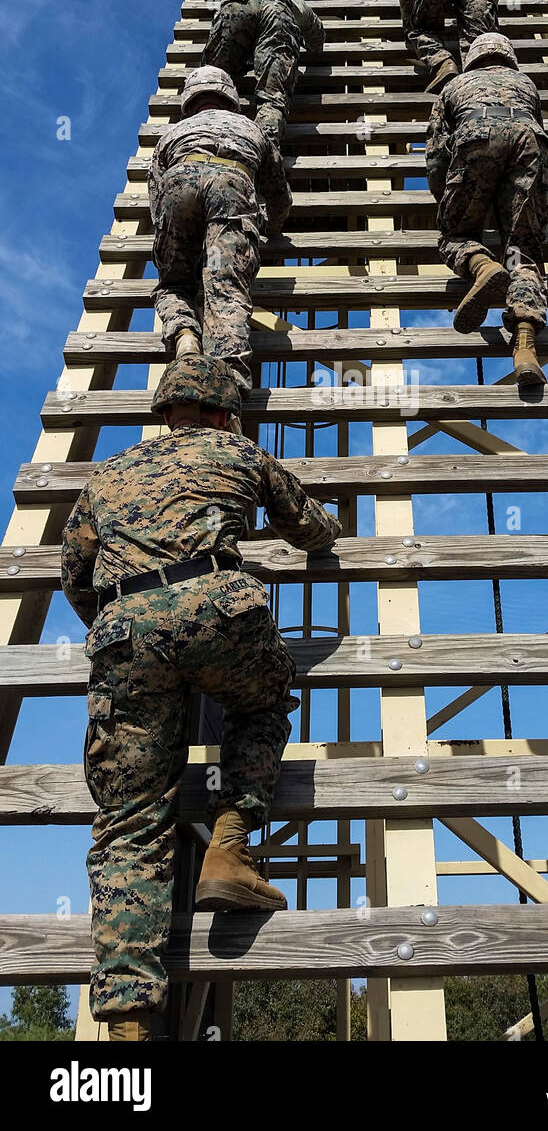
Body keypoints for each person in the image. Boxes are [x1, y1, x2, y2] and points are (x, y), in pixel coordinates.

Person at [61, 355, 342, 1042]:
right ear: (223, 411)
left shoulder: (109, 474)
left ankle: (127, 1020)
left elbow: (75, 574)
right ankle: (230, 846)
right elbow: (306, 527)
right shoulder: (238, 451)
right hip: (221, 608)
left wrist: (131, 627)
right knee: (261, 703)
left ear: (164, 413)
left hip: (122, 627)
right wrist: (327, 532)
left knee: (130, 818)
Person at [148, 65, 292, 397]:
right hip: (233, 185)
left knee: (173, 284)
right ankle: (226, 388)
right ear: (230, 98)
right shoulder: (251, 129)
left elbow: (157, 199)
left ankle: (184, 335)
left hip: (178, 181)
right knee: (226, 291)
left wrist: (178, 238)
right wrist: (270, 226)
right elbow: (278, 193)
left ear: (190, 101)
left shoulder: (173, 133)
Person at [425, 32, 548, 386]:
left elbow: (436, 154)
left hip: (476, 136)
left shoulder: (454, 87)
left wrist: (450, 200)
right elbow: (536, 133)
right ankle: (524, 343)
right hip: (529, 141)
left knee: (454, 236)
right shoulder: (527, 84)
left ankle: (482, 266)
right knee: (522, 251)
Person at [201, 0, 325, 141]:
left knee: (213, 77)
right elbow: (317, 35)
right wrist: (311, 47)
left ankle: (200, 131)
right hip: (279, 11)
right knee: (272, 95)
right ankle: (264, 148)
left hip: (236, 7)